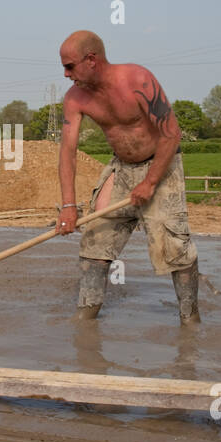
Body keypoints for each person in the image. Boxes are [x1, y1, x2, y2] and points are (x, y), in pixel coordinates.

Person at [55, 30, 200, 323]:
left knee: (173, 247)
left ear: (91, 60)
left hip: (161, 164)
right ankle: (86, 316)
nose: (66, 74)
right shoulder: (74, 98)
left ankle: (190, 318)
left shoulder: (138, 80)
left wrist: (150, 182)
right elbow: (67, 152)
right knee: (95, 238)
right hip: (121, 168)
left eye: (70, 66)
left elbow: (172, 135)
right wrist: (69, 206)